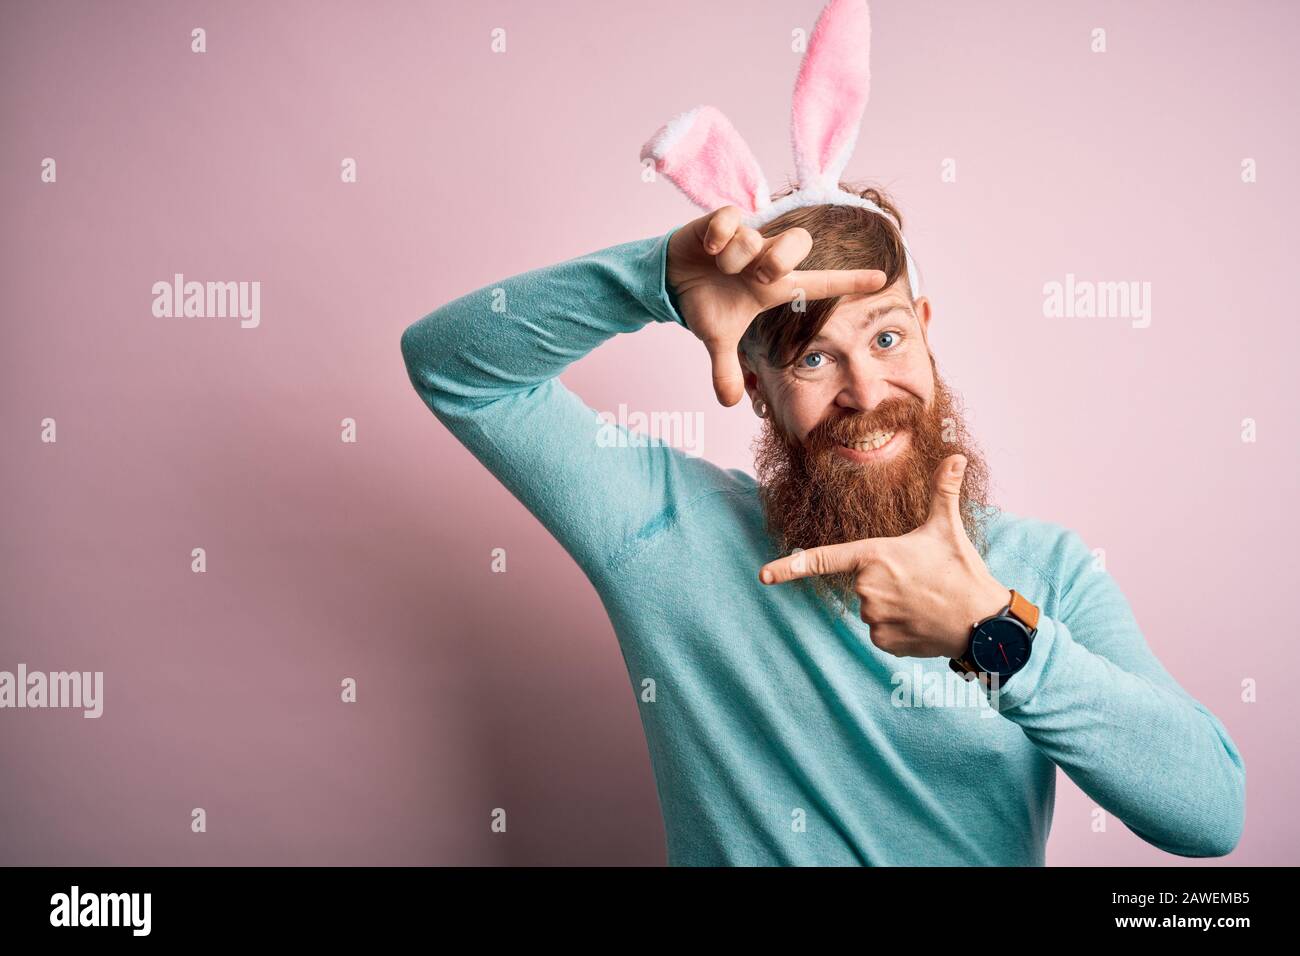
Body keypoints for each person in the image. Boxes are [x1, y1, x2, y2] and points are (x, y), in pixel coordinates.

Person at [399, 185, 1246, 865]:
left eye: (886, 338)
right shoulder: (667, 532)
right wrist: (654, 280)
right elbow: (456, 371)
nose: (866, 393)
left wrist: (993, 634)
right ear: (758, 386)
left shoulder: (1044, 572)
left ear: (928, 336)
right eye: (813, 358)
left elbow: (1209, 813)